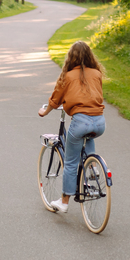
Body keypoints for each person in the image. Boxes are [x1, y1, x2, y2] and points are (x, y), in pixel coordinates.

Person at [38, 40, 106, 214]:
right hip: (99, 122)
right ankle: (93, 167)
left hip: (80, 121)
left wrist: (45, 112)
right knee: (87, 136)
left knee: (70, 162)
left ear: (71, 57)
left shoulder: (68, 76)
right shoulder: (97, 74)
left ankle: (64, 201)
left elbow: (55, 100)